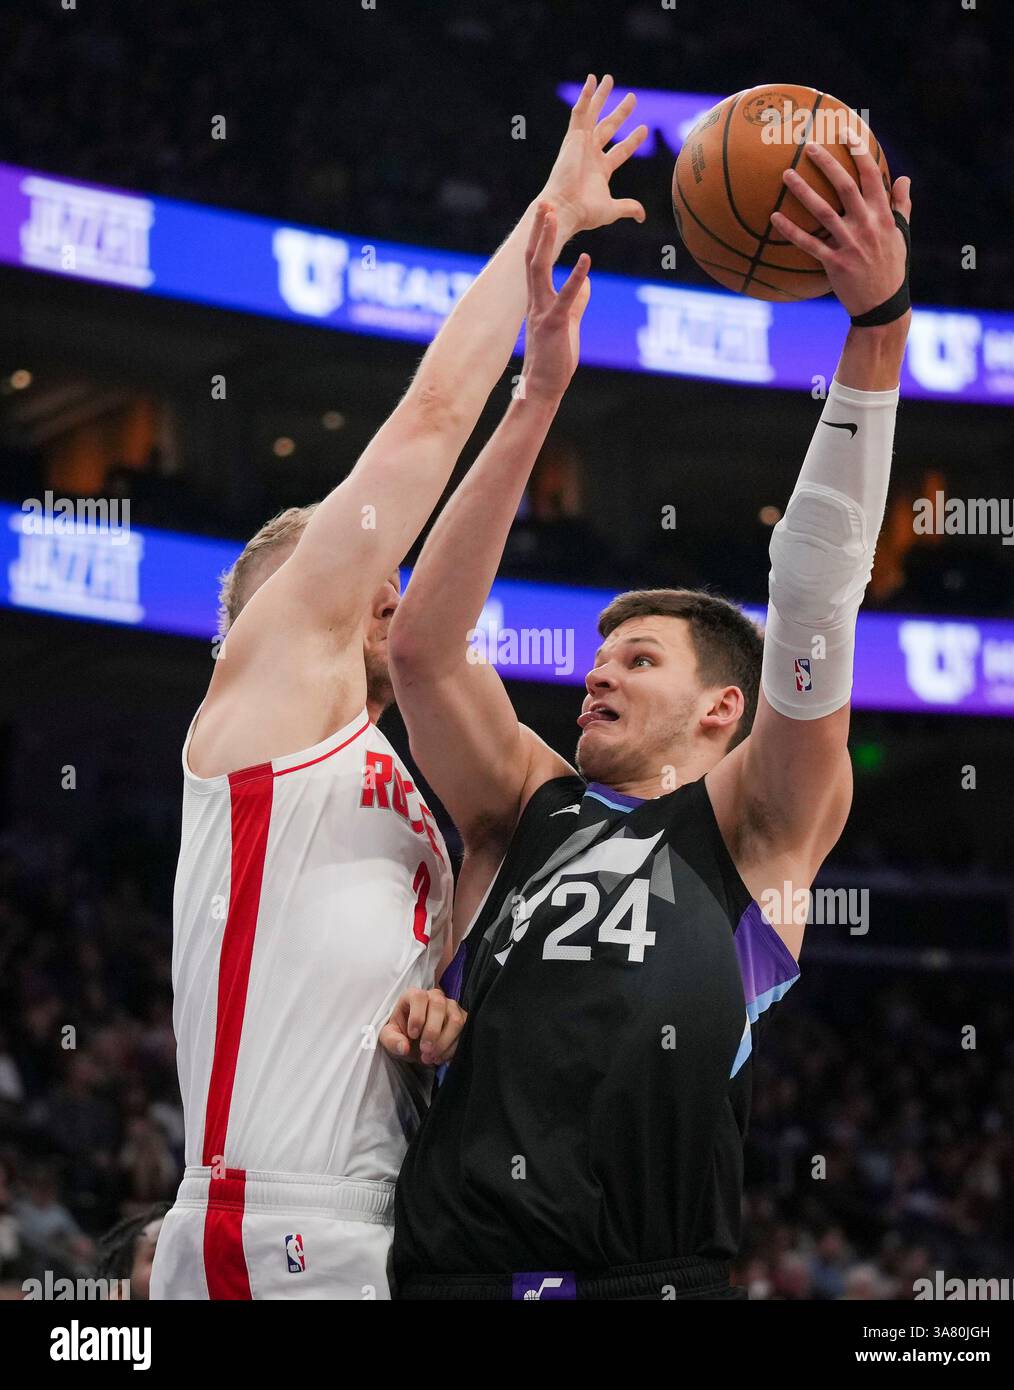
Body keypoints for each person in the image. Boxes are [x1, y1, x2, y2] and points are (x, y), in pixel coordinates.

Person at [382, 141, 913, 1299]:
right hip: (445, 1275)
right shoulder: (524, 805)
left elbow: (815, 587)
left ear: (724, 706)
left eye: (636, 658)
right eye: (593, 658)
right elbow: (421, 646)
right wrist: (536, 398)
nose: (594, 678)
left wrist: (875, 326)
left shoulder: (758, 828)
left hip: (645, 1277)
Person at [150, 75, 647, 1301]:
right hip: (262, 1222)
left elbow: (384, 1017)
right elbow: (430, 417)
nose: (383, 581)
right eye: (342, 564)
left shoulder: (412, 803)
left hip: (385, 1220)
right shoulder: (263, 699)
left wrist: (432, 1020)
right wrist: (547, 214)